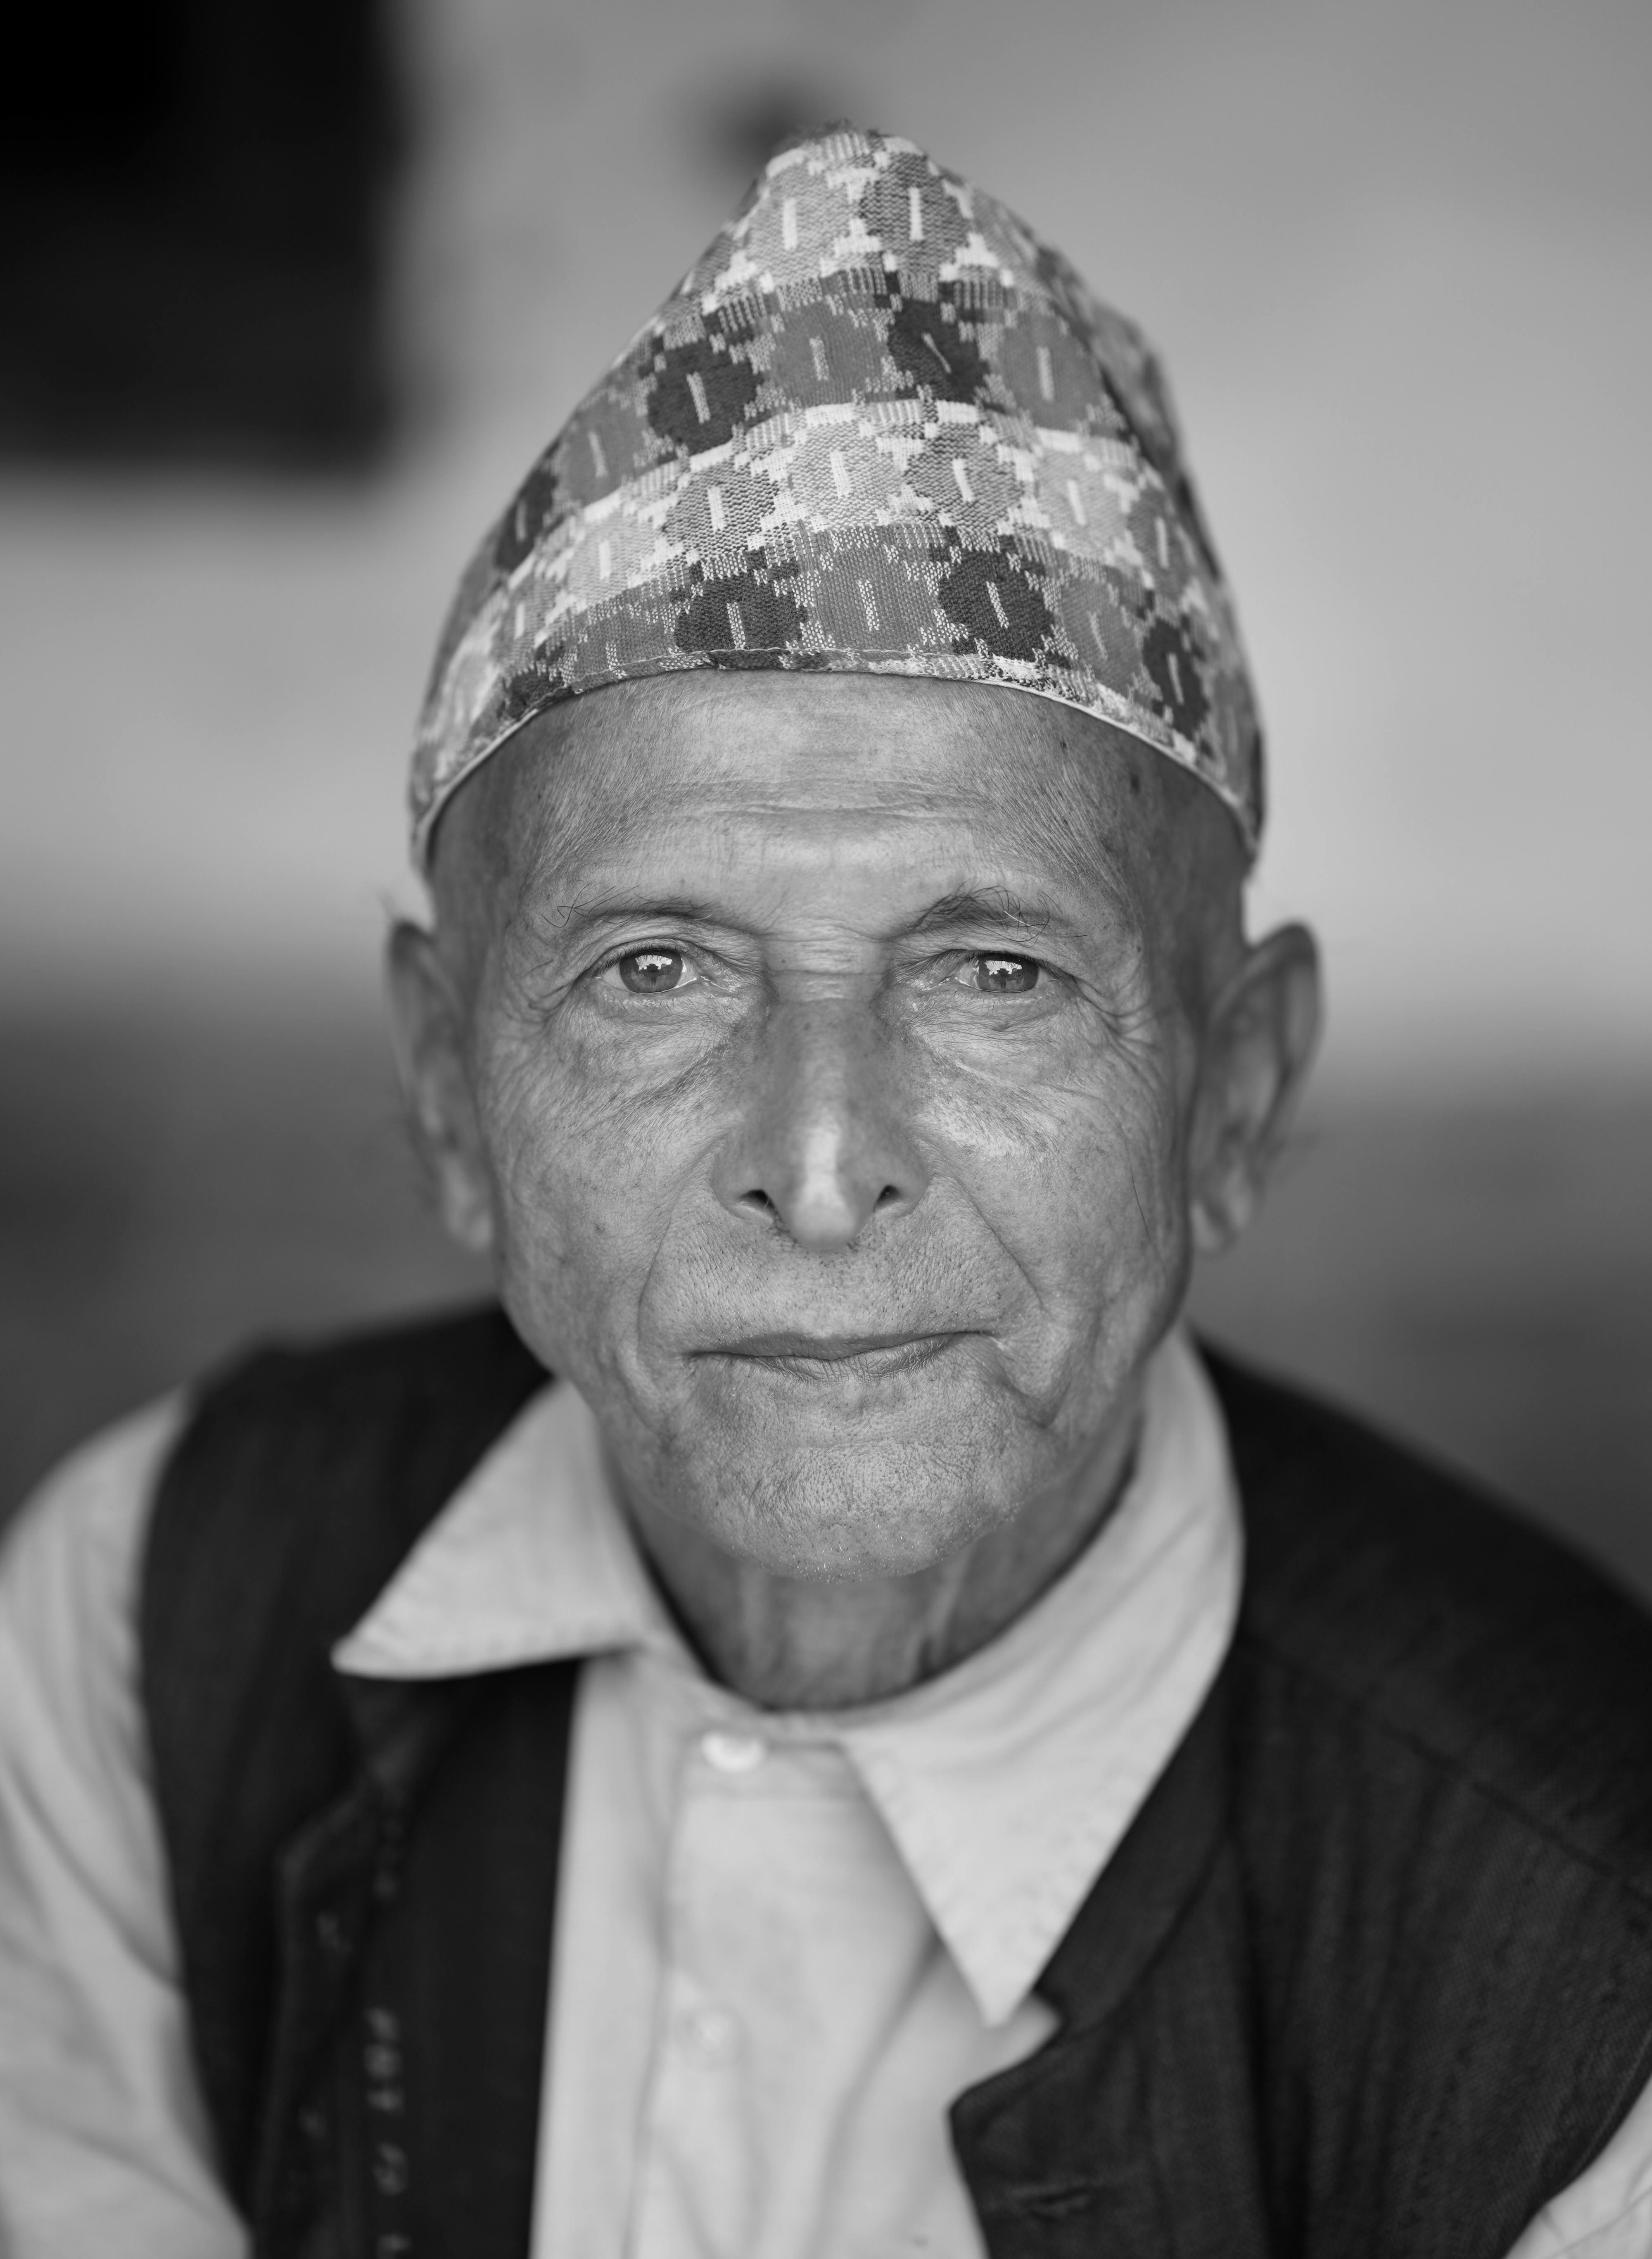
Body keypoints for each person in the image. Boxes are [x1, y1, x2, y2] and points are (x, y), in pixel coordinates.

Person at [4, 124, 1652, 2259]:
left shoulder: (1586, 1969)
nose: (814, 1157)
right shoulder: (151, 1616)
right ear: (448, 1093)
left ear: (1232, 1098)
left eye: (993, 972)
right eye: (657, 970)